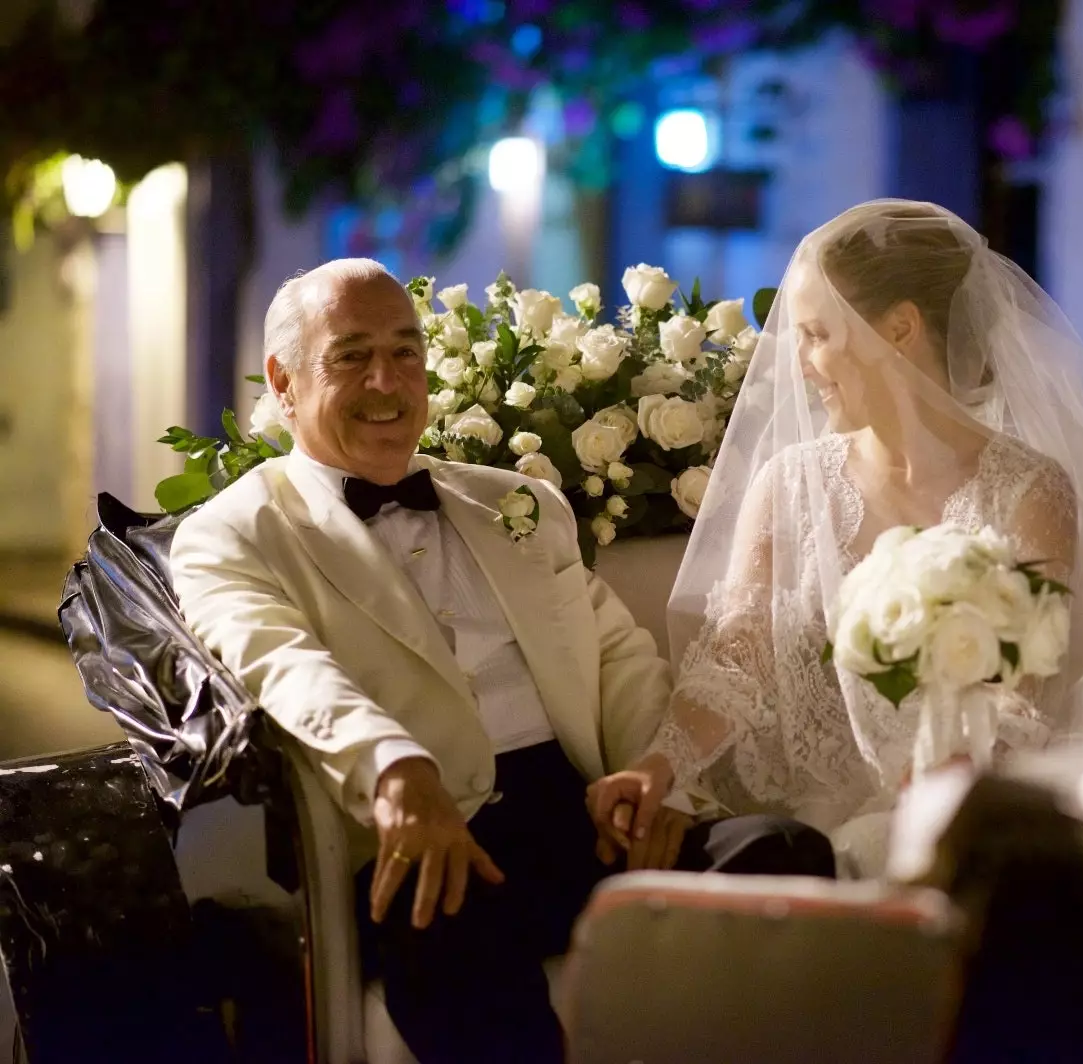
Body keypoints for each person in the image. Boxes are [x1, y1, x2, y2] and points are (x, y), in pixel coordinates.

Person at [168, 259, 832, 1064]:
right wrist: (394, 770)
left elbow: (615, 654)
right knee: (434, 912)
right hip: (438, 840)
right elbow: (285, 668)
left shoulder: (517, 502)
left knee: (782, 855)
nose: (387, 380)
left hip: (587, 822)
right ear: (283, 381)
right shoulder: (233, 533)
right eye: (350, 356)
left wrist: (661, 776)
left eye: (405, 351)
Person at [586, 201, 1083, 879]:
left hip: (963, 803)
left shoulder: (1029, 490)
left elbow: (1022, 697)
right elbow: (736, 658)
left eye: (818, 334)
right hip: (803, 817)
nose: (803, 362)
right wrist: (664, 765)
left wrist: (944, 785)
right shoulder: (788, 482)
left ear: (901, 328)